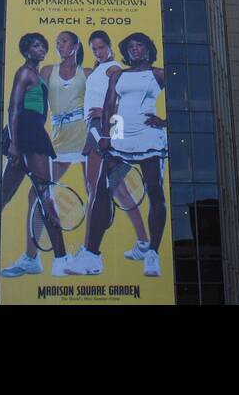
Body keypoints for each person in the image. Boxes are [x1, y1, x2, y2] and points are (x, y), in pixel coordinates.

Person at [67, 32, 167, 277]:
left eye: (139, 45)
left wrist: (165, 121)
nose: (134, 49)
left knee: (154, 191)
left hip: (148, 137)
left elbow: (187, 98)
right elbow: (111, 106)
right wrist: (106, 135)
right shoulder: (118, 75)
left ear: (148, 48)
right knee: (100, 188)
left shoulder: (157, 73)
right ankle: (92, 255)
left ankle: (152, 253)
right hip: (120, 138)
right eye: (130, 46)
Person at [13, 31, 87, 270]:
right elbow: (31, 100)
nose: (58, 47)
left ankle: (88, 253)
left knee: (97, 195)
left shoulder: (89, 73)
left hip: (84, 139)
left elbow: (111, 96)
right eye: (56, 43)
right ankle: (32, 257)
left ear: (75, 45)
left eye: (63, 42)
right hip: (57, 140)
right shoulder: (45, 71)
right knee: (37, 195)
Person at [0, 33, 70, 277]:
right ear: (26, 50)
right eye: (35, 45)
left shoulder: (37, 75)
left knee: (6, 193)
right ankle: (61, 258)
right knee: (44, 195)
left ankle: (34, 260)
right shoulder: (25, 73)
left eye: (43, 45)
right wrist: (15, 145)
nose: (41, 49)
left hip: (32, 133)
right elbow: (13, 107)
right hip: (26, 135)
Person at [81, 30, 150, 260]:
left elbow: (126, 99)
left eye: (101, 47)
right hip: (99, 126)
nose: (98, 52)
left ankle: (89, 252)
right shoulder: (101, 70)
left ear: (110, 46)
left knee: (95, 188)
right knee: (118, 190)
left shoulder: (114, 69)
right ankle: (143, 243)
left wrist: (105, 112)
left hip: (104, 126)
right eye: (94, 49)